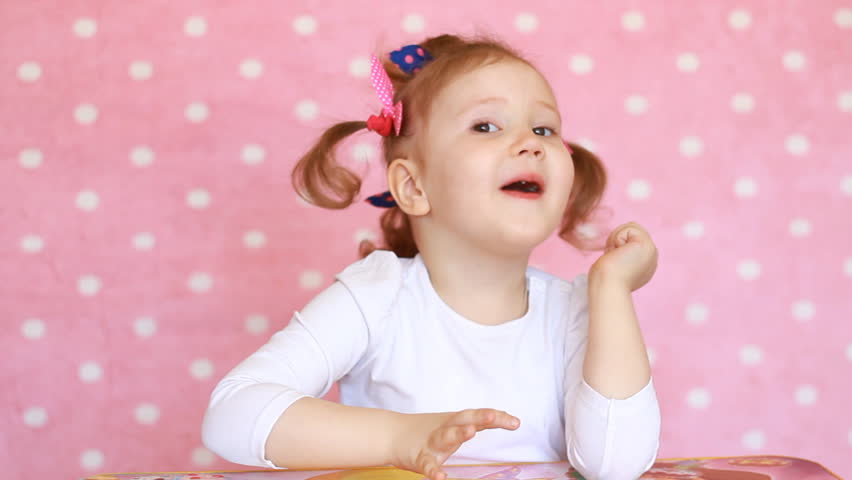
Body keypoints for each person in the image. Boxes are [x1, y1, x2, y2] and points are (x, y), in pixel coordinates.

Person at [202, 33, 661, 480]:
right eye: (486, 126)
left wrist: (611, 288)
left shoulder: (577, 311)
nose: (532, 143)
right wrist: (401, 438)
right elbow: (232, 414)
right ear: (413, 186)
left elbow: (615, 466)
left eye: (544, 129)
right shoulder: (379, 296)